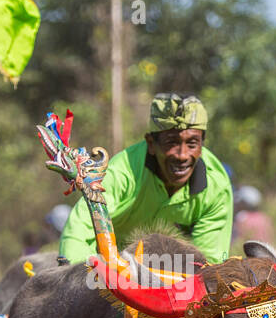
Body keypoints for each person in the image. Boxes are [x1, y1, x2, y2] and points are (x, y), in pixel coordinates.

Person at [58, 93, 234, 264]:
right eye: (171, 143)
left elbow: (207, 262)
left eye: (192, 144)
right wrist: (77, 278)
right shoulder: (123, 171)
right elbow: (79, 229)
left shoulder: (216, 186)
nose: (182, 155)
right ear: (151, 143)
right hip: (107, 274)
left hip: (176, 278)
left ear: (202, 144)